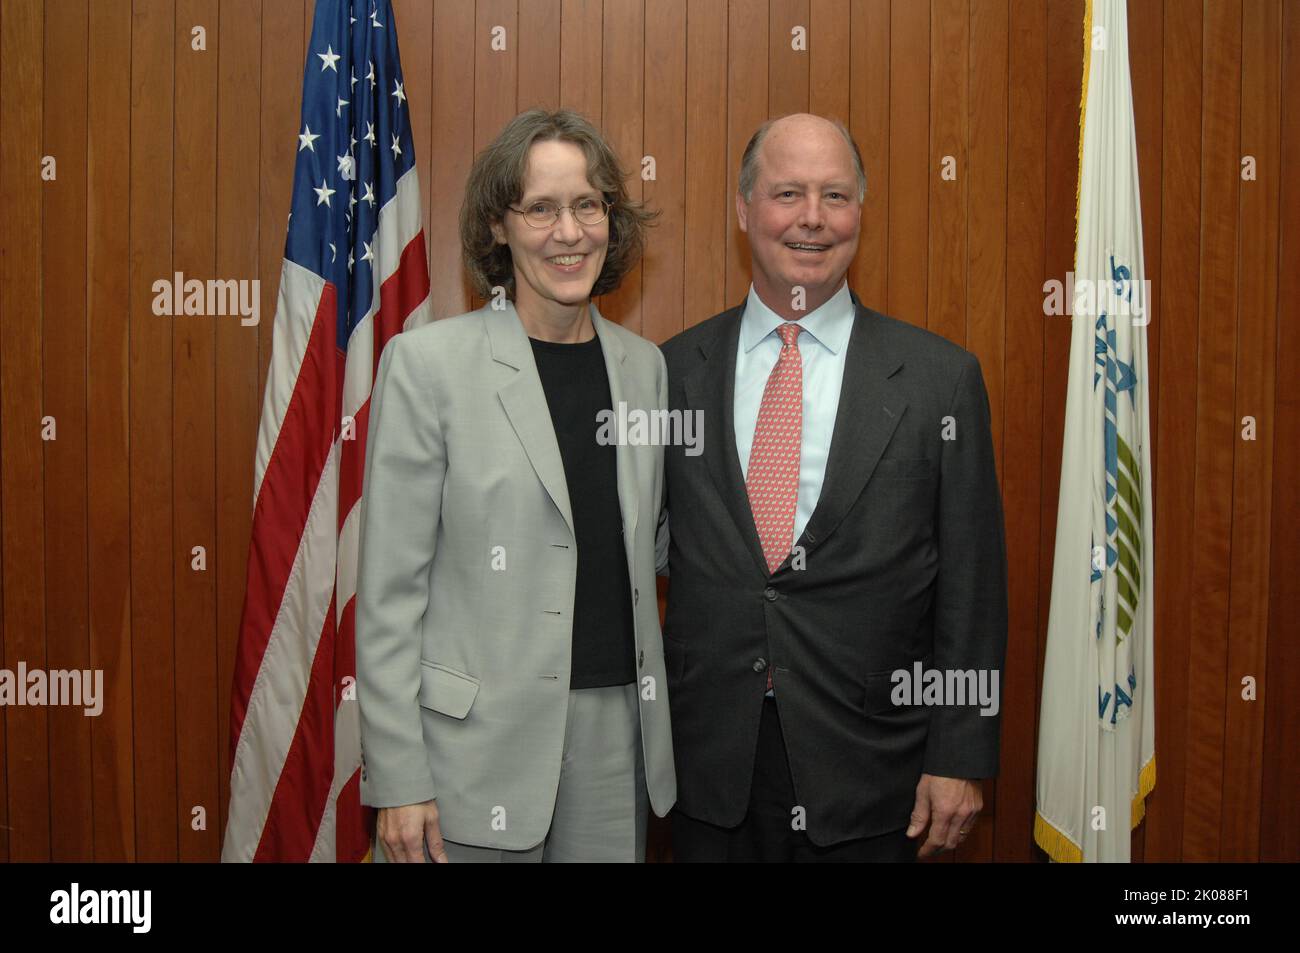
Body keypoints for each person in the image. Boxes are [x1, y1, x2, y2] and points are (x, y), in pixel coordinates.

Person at [658, 113, 1009, 862]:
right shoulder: (670, 372)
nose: (812, 218)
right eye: (788, 193)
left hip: (874, 775)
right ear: (744, 210)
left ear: (860, 214)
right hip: (707, 770)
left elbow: (972, 587)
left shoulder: (939, 380)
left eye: (836, 196)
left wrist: (960, 754)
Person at [355, 107, 674, 863]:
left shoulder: (645, 369)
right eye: (541, 208)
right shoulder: (427, 365)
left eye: (589, 204)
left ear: (611, 220)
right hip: (470, 752)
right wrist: (398, 776)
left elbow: (647, 543)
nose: (570, 233)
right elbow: (389, 593)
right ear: (499, 226)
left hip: (613, 737)